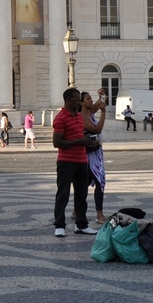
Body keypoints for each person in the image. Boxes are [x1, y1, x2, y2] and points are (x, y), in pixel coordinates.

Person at [52, 88, 98, 237]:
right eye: (76, 100)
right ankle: (59, 225)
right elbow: (57, 142)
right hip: (66, 161)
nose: (78, 103)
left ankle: (81, 224)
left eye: (79, 100)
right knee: (63, 194)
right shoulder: (60, 118)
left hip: (81, 160)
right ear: (67, 100)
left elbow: (79, 136)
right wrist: (80, 141)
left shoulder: (78, 117)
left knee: (81, 195)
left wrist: (89, 142)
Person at [82, 91, 109, 224]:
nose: (91, 100)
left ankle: (76, 210)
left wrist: (102, 96)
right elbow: (97, 129)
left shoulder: (90, 112)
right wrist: (103, 113)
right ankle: (99, 214)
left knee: (85, 183)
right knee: (99, 181)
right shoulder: (82, 116)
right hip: (89, 154)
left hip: (96, 152)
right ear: (81, 102)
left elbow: (100, 103)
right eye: (88, 99)